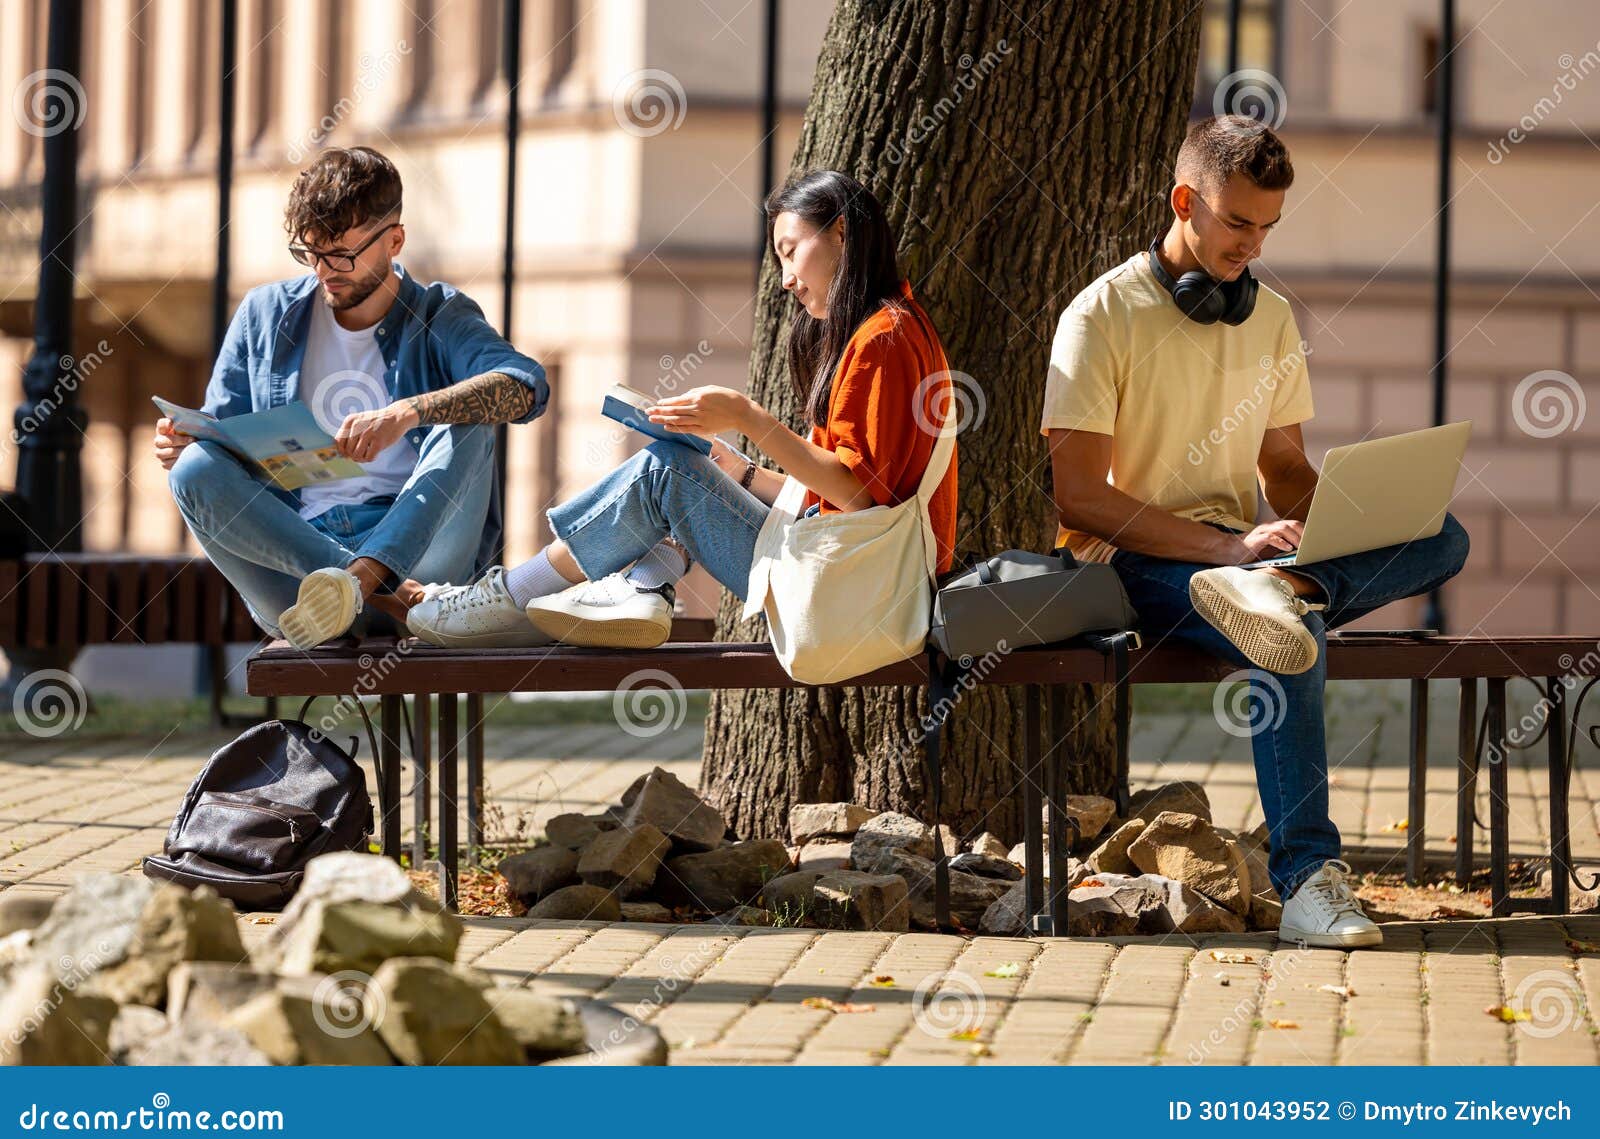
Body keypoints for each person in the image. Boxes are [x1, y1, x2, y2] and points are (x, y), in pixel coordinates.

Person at [1042, 116, 1470, 948]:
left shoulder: (1269, 317)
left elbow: (1283, 470)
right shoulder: (1100, 315)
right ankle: (1310, 881)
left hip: (1249, 555)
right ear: (1184, 202)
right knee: (1291, 632)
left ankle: (1294, 586)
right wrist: (1225, 551)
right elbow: (1082, 499)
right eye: (1238, 223)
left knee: (1442, 534)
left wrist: (1348, 511)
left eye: (1268, 227)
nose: (1254, 246)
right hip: (1135, 563)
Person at [408, 169, 958, 649]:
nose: (787, 279)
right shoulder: (894, 327)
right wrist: (740, 471)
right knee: (683, 464)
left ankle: (514, 597)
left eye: (790, 251)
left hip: (854, 589)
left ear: (841, 230)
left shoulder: (882, 339)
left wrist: (749, 418)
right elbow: (849, 492)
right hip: (851, 572)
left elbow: (857, 493)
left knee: (664, 472)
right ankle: (644, 586)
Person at [155, 146, 549, 649]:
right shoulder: (264, 314)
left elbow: (526, 385)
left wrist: (408, 412)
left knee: (467, 419)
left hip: (423, 552)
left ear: (395, 240)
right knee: (194, 469)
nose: (324, 270)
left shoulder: (439, 313)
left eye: (342, 254)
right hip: (299, 566)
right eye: (311, 253)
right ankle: (381, 591)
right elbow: (224, 439)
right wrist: (185, 443)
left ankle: (365, 582)